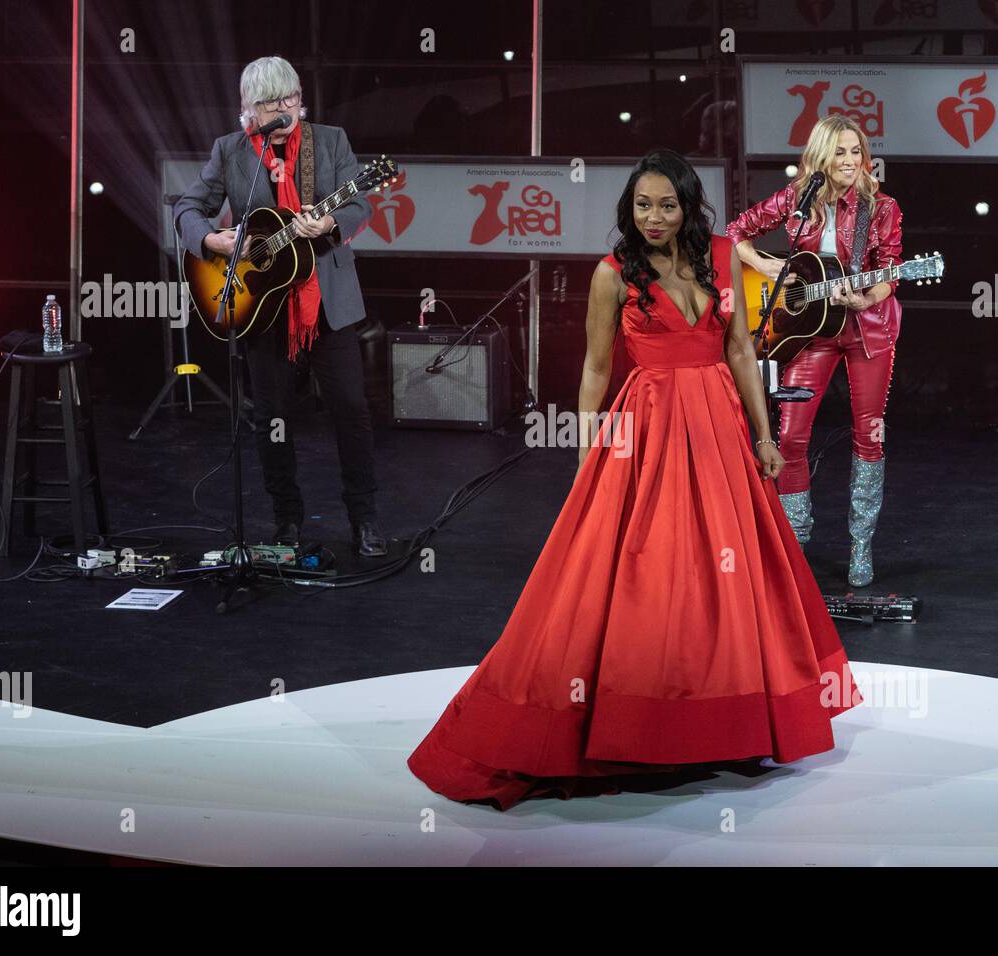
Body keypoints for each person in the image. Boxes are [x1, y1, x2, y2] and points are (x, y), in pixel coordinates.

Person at [407, 149, 861, 811]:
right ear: (630, 209)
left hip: (717, 428)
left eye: (667, 205)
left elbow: (739, 349)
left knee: (725, 576)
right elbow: (595, 370)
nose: (654, 217)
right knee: (642, 577)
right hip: (643, 431)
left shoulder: (726, 254)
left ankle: (724, 725)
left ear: (688, 208)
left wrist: (765, 435)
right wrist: (589, 450)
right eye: (643, 205)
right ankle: (637, 723)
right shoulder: (611, 274)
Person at [174, 55, 387, 557]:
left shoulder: (329, 140)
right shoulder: (230, 151)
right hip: (259, 307)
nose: (284, 108)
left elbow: (359, 204)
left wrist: (329, 224)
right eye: (271, 102)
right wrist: (213, 242)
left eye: (290, 97)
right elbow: (187, 208)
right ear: (249, 108)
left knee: (352, 411)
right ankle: (286, 520)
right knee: (272, 416)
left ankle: (365, 518)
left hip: (328, 305)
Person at [726, 115, 903, 587]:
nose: (850, 161)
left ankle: (861, 546)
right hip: (808, 330)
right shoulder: (797, 200)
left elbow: (889, 272)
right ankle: (795, 540)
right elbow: (734, 233)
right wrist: (765, 264)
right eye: (840, 152)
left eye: (856, 152)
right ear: (821, 156)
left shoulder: (879, 206)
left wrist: (866, 296)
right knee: (791, 438)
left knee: (869, 437)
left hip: (867, 331)